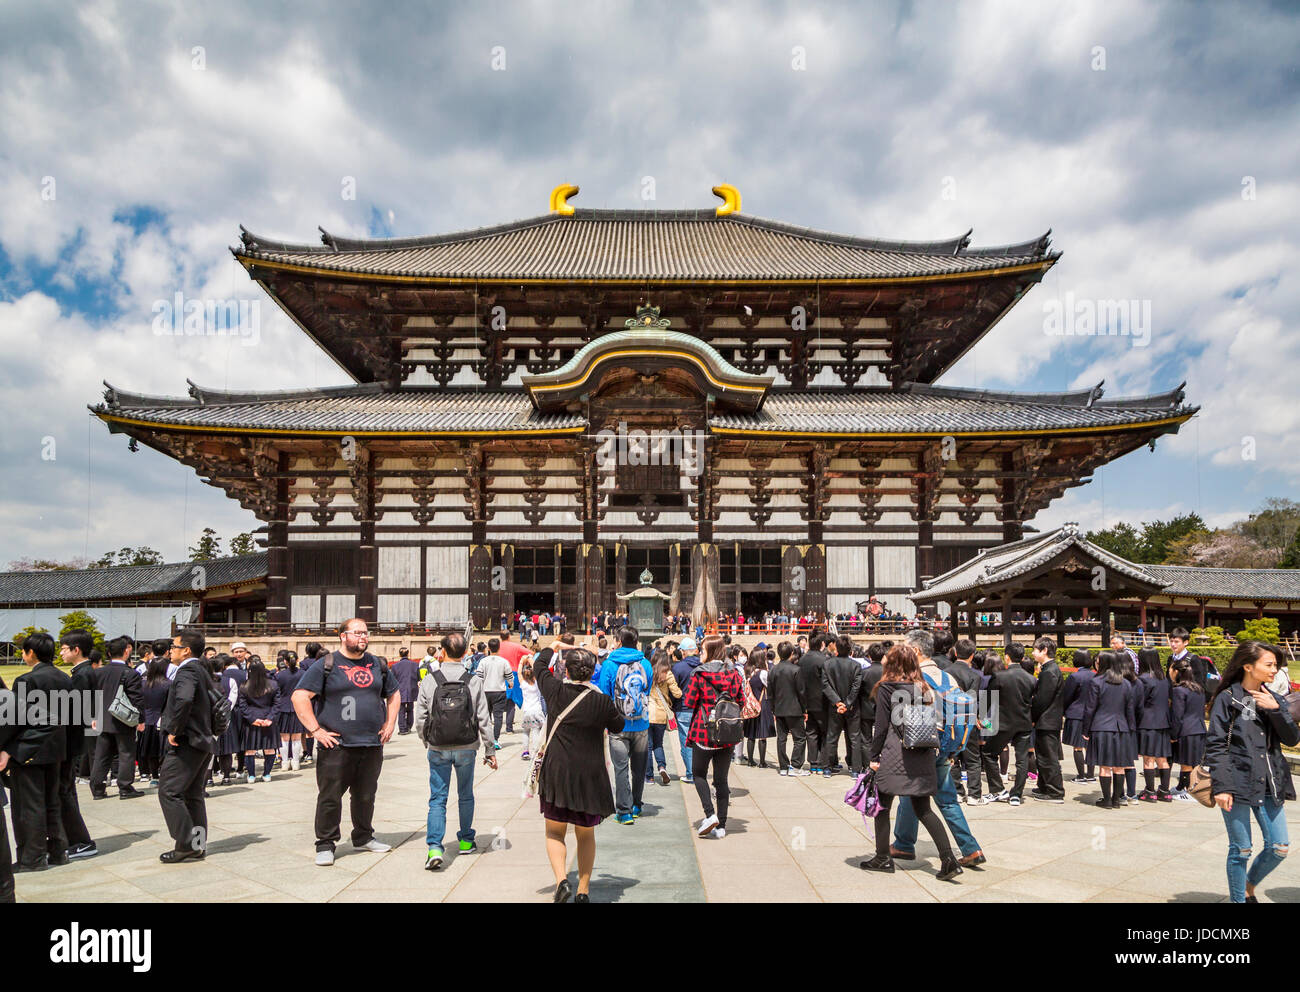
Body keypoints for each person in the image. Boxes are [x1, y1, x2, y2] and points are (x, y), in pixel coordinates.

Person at [292, 619, 400, 867]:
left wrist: (390, 723)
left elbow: (393, 694)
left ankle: (363, 836)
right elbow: (300, 696)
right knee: (330, 796)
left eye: (366, 633)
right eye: (357, 633)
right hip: (337, 744)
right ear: (342, 636)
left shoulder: (377, 664)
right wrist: (316, 730)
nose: (363, 637)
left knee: (365, 795)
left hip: (371, 743)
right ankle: (326, 843)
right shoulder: (326, 664)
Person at [1206, 641, 1300, 903]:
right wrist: (1222, 786)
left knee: (1279, 847)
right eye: (1269, 665)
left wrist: (1276, 710)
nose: (1275, 670)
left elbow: (1292, 739)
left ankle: (1248, 885)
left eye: (1276, 665)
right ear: (1248, 666)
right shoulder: (1229, 699)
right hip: (1236, 782)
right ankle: (1239, 900)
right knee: (1241, 850)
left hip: (1270, 781)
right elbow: (1215, 744)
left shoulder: (1274, 699)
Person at [860, 643, 962, 881]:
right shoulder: (923, 688)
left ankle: (882, 857)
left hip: (895, 753)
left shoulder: (887, 688)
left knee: (882, 806)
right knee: (923, 808)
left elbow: (882, 727)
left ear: (893, 663)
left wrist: (874, 757)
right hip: (922, 753)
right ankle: (948, 859)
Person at [533, 645, 625, 903]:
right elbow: (619, 724)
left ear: (567, 669)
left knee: (554, 832)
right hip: (589, 775)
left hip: (557, 772)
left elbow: (539, 665)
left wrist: (554, 645)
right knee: (585, 834)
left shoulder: (555, 691)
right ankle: (583, 891)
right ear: (593, 670)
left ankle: (562, 880)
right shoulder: (601, 701)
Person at [890, 630, 985, 869]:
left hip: (921, 748)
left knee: (908, 793)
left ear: (916, 651)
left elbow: (902, 717)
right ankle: (970, 848)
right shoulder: (947, 677)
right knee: (947, 800)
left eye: (905, 647)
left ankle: (903, 843)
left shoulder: (914, 679)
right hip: (945, 748)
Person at [415, 633, 496, 871]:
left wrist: (426, 740)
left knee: (437, 799)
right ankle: (465, 840)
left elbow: (420, 718)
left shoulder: (430, 679)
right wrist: (490, 749)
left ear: (442, 651)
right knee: (466, 794)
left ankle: (434, 847)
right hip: (466, 746)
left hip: (438, 746)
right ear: (464, 653)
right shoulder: (472, 680)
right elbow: (483, 717)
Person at [0, 633, 72, 871]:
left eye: (23, 651)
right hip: (57, 749)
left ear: (31, 653)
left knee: (28, 807)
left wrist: (8, 750)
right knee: (52, 802)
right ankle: (58, 852)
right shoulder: (65, 678)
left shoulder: (25, 680)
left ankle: (32, 858)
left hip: (28, 749)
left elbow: (15, 719)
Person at [157, 630, 215, 863]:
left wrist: (174, 729)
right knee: (193, 795)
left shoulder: (188, 670)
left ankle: (187, 844)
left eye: (174, 646)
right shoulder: (202, 669)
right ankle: (197, 845)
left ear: (186, 650)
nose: (170, 650)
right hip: (203, 739)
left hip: (188, 740)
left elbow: (184, 699)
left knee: (169, 791)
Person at [682, 634, 745, 839]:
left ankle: (710, 814)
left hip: (704, 730)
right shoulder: (733, 673)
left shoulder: (698, 674)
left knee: (699, 774)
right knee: (721, 780)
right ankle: (722, 825)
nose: (700, 654)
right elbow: (741, 701)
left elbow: (689, 701)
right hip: (726, 731)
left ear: (710, 652)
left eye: (702, 650)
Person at [597, 627, 651, 824]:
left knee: (621, 769)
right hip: (641, 724)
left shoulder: (610, 664)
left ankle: (624, 811)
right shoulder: (645, 663)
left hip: (617, 725)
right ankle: (637, 804)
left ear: (618, 641)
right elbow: (647, 689)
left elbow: (604, 695)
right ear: (636, 641)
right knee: (639, 769)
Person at [56, 632, 98, 860]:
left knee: (65, 792)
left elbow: (74, 711)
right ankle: (72, 839)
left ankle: (81, 841)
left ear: (76, 649)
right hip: (79, 738)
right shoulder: (85, 672)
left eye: (63, 648)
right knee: (66, 791)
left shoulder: (82, 675)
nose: (61, 653)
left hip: (72, 739)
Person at [89, 635, 146, 800]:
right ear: (126, 652)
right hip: (123, 719)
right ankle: (125, 787)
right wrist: (141, 720)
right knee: (126, 753)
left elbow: (93, 696)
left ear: (107, 653)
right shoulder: (130, 674)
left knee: (101, 755)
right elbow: (137, 699)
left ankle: (97, 788)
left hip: (102, 718)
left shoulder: (99, 672)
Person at [1082, 651, 1137, 810]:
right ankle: (1116, 799)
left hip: (1101, 726)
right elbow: (1130, 709)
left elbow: (1090, 709)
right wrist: (1131, 730)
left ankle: (1106, 799)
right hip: (1121, 727)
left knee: (1105, 766)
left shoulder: (1097, 682)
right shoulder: (1126, 683)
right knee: (1119, 766)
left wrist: (1085, 730)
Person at [946, 640, 984, 805]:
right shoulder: (974, 675)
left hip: (949, 718)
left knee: (952, 756)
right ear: (972, 655)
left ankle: (957, 792)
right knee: (973, 758)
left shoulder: (946, 672)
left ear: (955, 653)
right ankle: (975, 795)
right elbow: (973, 699)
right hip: (968, 718)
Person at [1029, 637, 1066, 803]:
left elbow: (1042, 699)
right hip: (1049, 719)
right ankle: (1044, 786)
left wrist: (1033, 717)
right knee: (1043, 755)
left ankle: (1055, 791)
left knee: (1048, 757)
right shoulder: (1049, 669)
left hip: (1047, 720)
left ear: (1044, 650)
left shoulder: (1050, 671)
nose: (1033, 653)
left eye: (1035, 649)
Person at [820, 634, 862, 776]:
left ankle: (827, 767)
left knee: (831, 737)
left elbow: (825, 685)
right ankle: (855, 769)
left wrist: (837, 702)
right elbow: (856, 687)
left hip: (834, 706)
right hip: (852, 707)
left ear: (836, 648)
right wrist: (847, 703)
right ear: (850, 649)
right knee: (854, 738)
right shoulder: (856, 665)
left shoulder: (828, 664)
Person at [1136, 646, 1173, 802]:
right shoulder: (1164, 679)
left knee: (1148, 759)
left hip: (1147, 722)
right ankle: (1165, 791)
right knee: (1162, 758)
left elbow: (1138, 702)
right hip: (1163, 722)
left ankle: (1150, 791)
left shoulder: (1143, 679)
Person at [1168, 656, 1206, 801]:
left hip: (1186, 730)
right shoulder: (1199, 689)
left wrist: (1173, 735)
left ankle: (1186, 790)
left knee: (1186, 763)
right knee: (1195, 762)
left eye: (1171, 670)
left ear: (1177, 672)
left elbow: (1177, 716)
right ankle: (1184, 787)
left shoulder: (1179, 691)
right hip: (1200, 728)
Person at [236, 659, 280, 784]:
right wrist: (270, 718)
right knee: (270, 748)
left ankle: (251, 775)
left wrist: (252, 719)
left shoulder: (244, 686)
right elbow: (277, 704)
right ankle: (266, 774)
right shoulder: (273, 685)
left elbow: (242, 706)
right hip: (268, 721)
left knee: (250, 749)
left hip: (251, 722)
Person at [768, 640, 808, 776]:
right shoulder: (796, 670)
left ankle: (783, 766)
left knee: (782, 738)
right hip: (795, 708)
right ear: (792, 653)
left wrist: (773, 709)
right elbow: (801, 692)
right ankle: (796, 766)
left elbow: (770, 693)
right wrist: (804, 709)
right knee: (800, 738)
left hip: (779, 709)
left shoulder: (773, 670)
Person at [798, 632, 833, 773]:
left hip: (807, 701)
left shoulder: (802, 660)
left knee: (811, 732)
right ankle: (824, 763)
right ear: (822, 644)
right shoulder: (825, 660)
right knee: (825, 732)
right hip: (823, 701)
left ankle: (813, 762)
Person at [645, 649, 681, 786]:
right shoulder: (668, 673)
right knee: (658, 744)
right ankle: (662, 767)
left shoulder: (648, 671)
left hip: (648, 713)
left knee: (648, 746)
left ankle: (649, 777)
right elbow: (677, 694)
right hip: (661, 714)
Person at [1061, 649, 1097, 784]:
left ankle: (1081, 775)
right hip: (1092, 715)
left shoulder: (1074, 677)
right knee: (1090, 746)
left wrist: (1063, 711)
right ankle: (1091, 774)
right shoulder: (1096, 676)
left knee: (1077, 747)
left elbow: (1067, 697)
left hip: (1076, 714)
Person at [670, 637, 703, 783]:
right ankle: (699, 772)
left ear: (683, 652)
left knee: (686, 742)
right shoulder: (702, 666)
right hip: (700, 708)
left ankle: (691, 773)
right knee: (699, 742)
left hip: (683, 707)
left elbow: (673, 689)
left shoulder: (678, 667)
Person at [136, 656, 172, 788]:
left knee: (151, 751)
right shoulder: (169, 684)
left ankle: (154, 776)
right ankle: (164, 775)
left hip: (147, 719)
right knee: (164, 750)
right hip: (163, 720)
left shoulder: (143, 684)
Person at [477, 639, 516, 745]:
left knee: (486, 717)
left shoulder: (483, 661)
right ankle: (495, 739)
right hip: (499, 691)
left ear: (488, 648)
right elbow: (509, 677)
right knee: (498, 716)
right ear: (499, 648)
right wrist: (510, 684)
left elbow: (479, 677)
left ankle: (487, 738)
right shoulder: (503, 661)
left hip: (486, 691)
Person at [743, 649, 775, 768]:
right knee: (762, 735)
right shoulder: (763, 673)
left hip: (751, 704)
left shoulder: (748, 672)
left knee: (751, 734)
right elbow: (769, 686)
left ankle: (750, 760)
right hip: (762, 704)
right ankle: (762, 762)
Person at [519, 656, 546, 762]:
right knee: (536, 730)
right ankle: (536, 750)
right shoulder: (537, 683)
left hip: (526, 710)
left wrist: (521, 661)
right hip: (537, 710)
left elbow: (518, 673)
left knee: (526, 731)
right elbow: (538, 671)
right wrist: (531, 660)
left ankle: (525, 751)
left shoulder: (523, 684)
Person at [391, 648, 420, 735]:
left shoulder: (395, 666)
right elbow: (418, 677)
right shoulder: (415, 665)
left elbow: (392, 679)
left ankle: (403, 729)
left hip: (400, 690)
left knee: (401, 710)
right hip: (411, 689)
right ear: (408, 654)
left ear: (400, 655)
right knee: (410, 709)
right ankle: (409, 726)